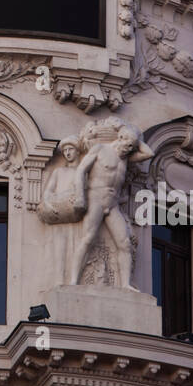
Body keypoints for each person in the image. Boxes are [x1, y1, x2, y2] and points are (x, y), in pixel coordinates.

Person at [70, 123, 153, 289]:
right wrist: (80, 196)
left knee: (125, 243)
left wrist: (135, 136)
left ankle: (126, 284)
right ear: (120, 138)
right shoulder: (100, 149)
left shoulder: (126, 157)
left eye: (132, 147)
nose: (129, 149)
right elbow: (80, 171)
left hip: (113, 204)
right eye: (128, 145)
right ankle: (73, 280)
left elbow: (149, 153)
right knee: (88, 239)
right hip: (96, 199)